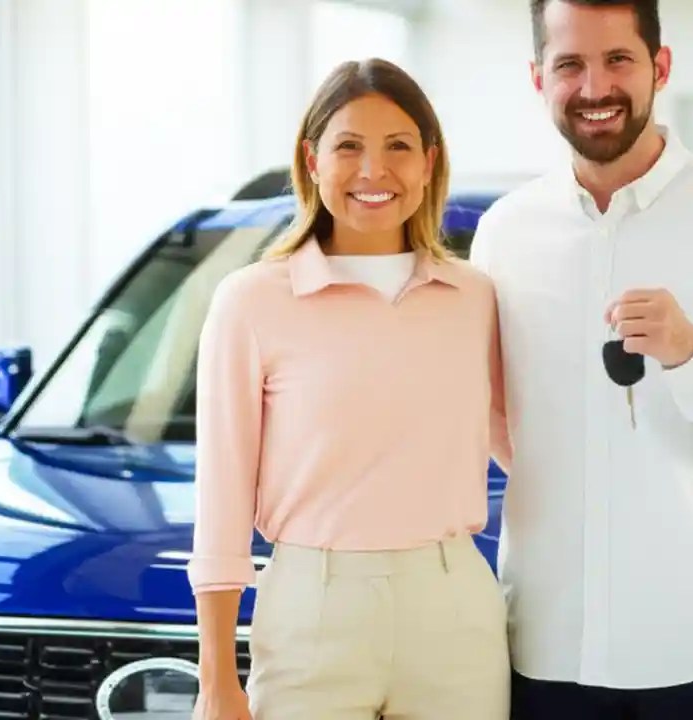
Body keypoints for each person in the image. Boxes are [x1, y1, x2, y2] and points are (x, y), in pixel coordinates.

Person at [468, 1, 693, 718]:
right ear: (538, 78)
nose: (594, 87)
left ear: (661, 66)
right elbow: (500, 420)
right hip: (547, 651)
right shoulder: (504, 234)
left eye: (618, 60)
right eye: (569, 64)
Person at [187, 57, 512, 720]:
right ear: (311, 160)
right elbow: (220, 500)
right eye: (348, 147)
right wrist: (218, 681)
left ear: (429, 162)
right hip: (312, 611)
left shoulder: (476, 297)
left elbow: (527, 450)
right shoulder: (251, 302)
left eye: (397, 147)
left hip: (455, 611)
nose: (373, 172)